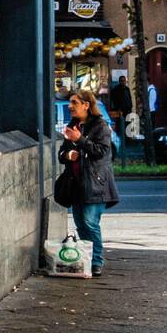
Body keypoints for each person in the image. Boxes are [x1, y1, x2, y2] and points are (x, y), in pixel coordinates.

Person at [62, 89, 120, 277]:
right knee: (80, 223)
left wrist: (79, 139)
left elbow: (101, 152)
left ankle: (96, 261)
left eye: (74, 103)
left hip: (95, 184)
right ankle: (87, 258)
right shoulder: (72, 125)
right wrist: (68, 155)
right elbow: (62, 152)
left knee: (90, 222)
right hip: (76, 183)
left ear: (86, 105)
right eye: (70, 102)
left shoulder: (100, 126)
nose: (70, 106)